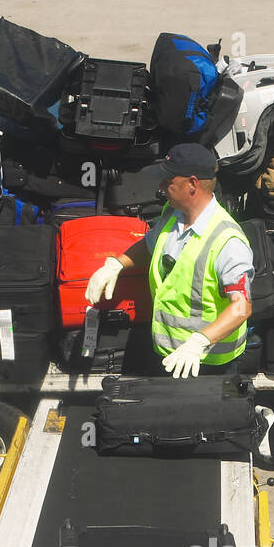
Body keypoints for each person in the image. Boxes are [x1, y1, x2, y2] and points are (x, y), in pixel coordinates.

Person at [84, 143, 255, 378]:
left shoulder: (228, 241)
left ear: (192, 184)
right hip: (166, 354)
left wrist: (199, 343)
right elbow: (149, 244)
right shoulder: (171, 214)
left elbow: (241, 307)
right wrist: (117, 264)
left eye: (168, 181)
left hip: (206, 364)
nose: (161, 187)